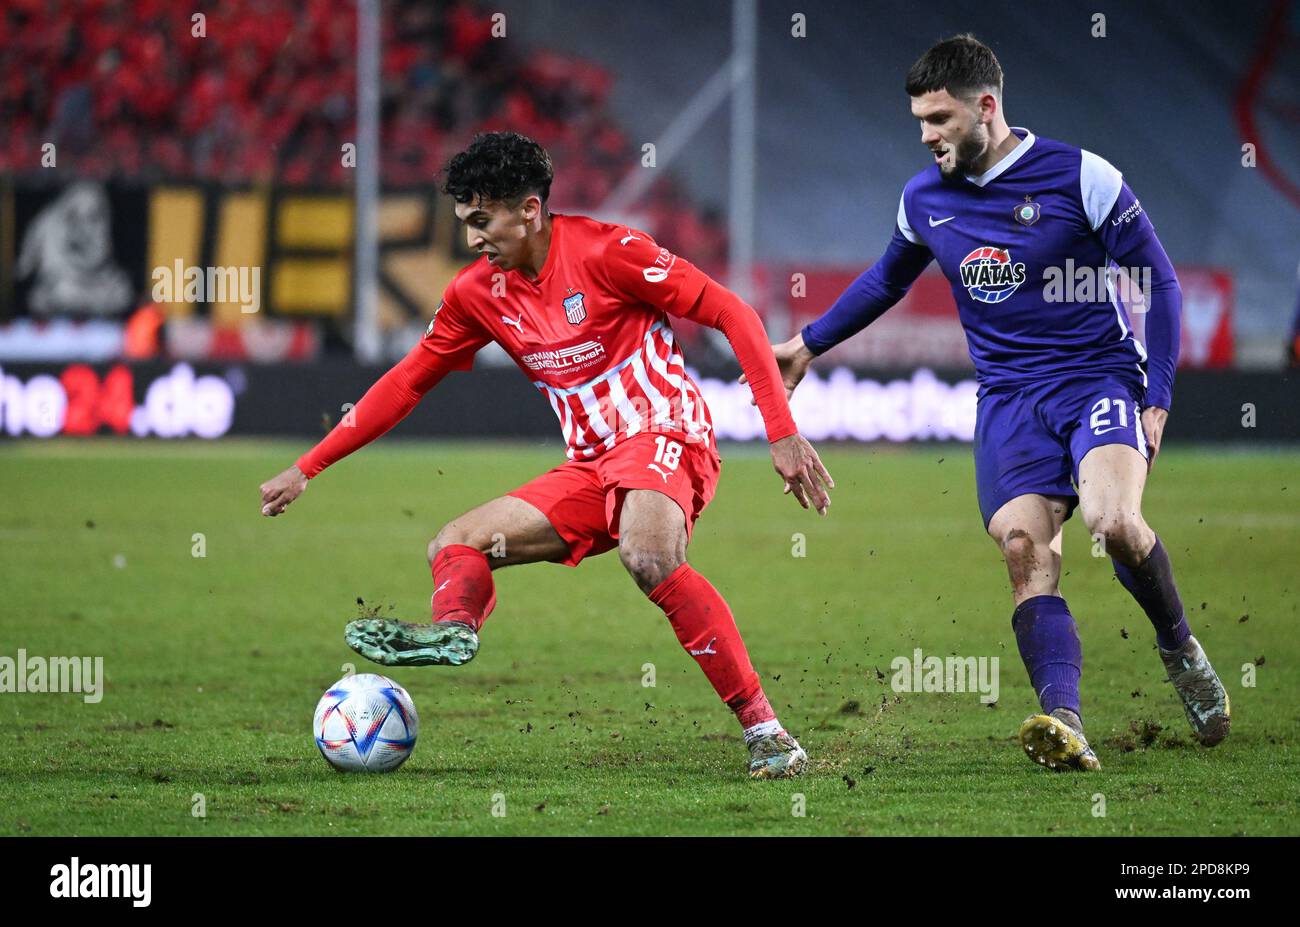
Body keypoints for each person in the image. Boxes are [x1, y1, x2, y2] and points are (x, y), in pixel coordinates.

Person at [259, 131, 834, 779]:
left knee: (649, 555)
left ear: (530, 210)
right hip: (591, 464)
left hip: (665, 433)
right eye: (465, 223)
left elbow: (730, 311)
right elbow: (406, 381)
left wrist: (779, 429)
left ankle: (768, 734)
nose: (473, 239)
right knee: (455, 543)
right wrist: (308, 465)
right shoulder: (479, 292)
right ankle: (455, 627)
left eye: (482, 221)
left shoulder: (609, 251)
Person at [765, 35, 1228, 771]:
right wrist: (810, 343)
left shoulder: (1082, 177)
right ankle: (1064, 719)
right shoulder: (925, 197)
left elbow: (1160, 282)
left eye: (940, 118)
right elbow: (888, 279)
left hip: (1097, 378)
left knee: (1113, 524)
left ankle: (1179, 646)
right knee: (1023, 550)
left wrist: (1159, 395)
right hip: (1009, 400)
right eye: (919, 120)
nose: (926, 135)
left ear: (987, 107)